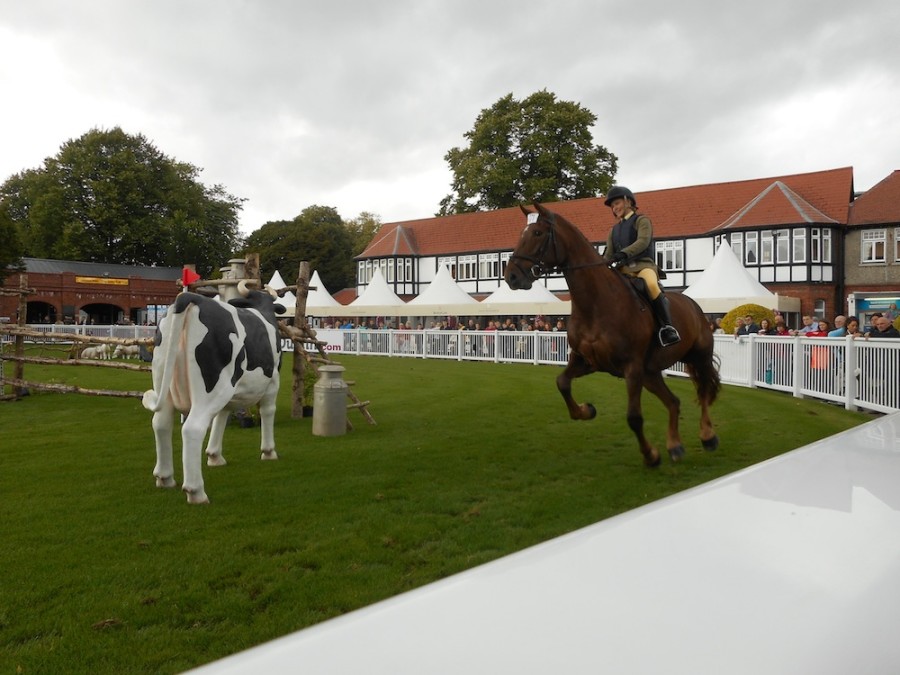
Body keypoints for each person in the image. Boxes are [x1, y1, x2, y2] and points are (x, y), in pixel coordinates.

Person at [602, 185, 680, 346]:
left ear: (627, 201)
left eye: (616, 203)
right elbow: (609, 254)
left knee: (651, 285)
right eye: (612, 206)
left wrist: (623, 253)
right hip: (623, 269)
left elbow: (643, 241)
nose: (615, 208)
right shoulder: (613, 230)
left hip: (643, 266)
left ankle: (667, 327)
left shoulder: (642, 220)